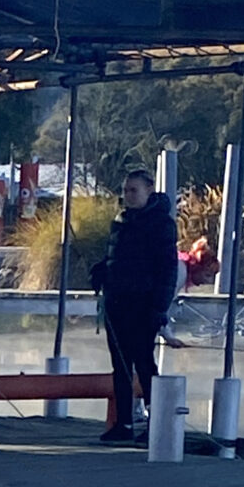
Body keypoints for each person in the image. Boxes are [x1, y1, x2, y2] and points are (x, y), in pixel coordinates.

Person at [90, 168, 180, 442]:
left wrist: (159, 309)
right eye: (126, 190)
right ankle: (124, 424)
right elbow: (116, 258)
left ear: (149, 190)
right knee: (120, 365)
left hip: (143, 305)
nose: (128, 196)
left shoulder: (161, 224)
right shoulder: (121, 221)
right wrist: (102, 270)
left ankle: (156, 423)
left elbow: (167, 270)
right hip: (117, 302)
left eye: (134, 190)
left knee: (144, 363)